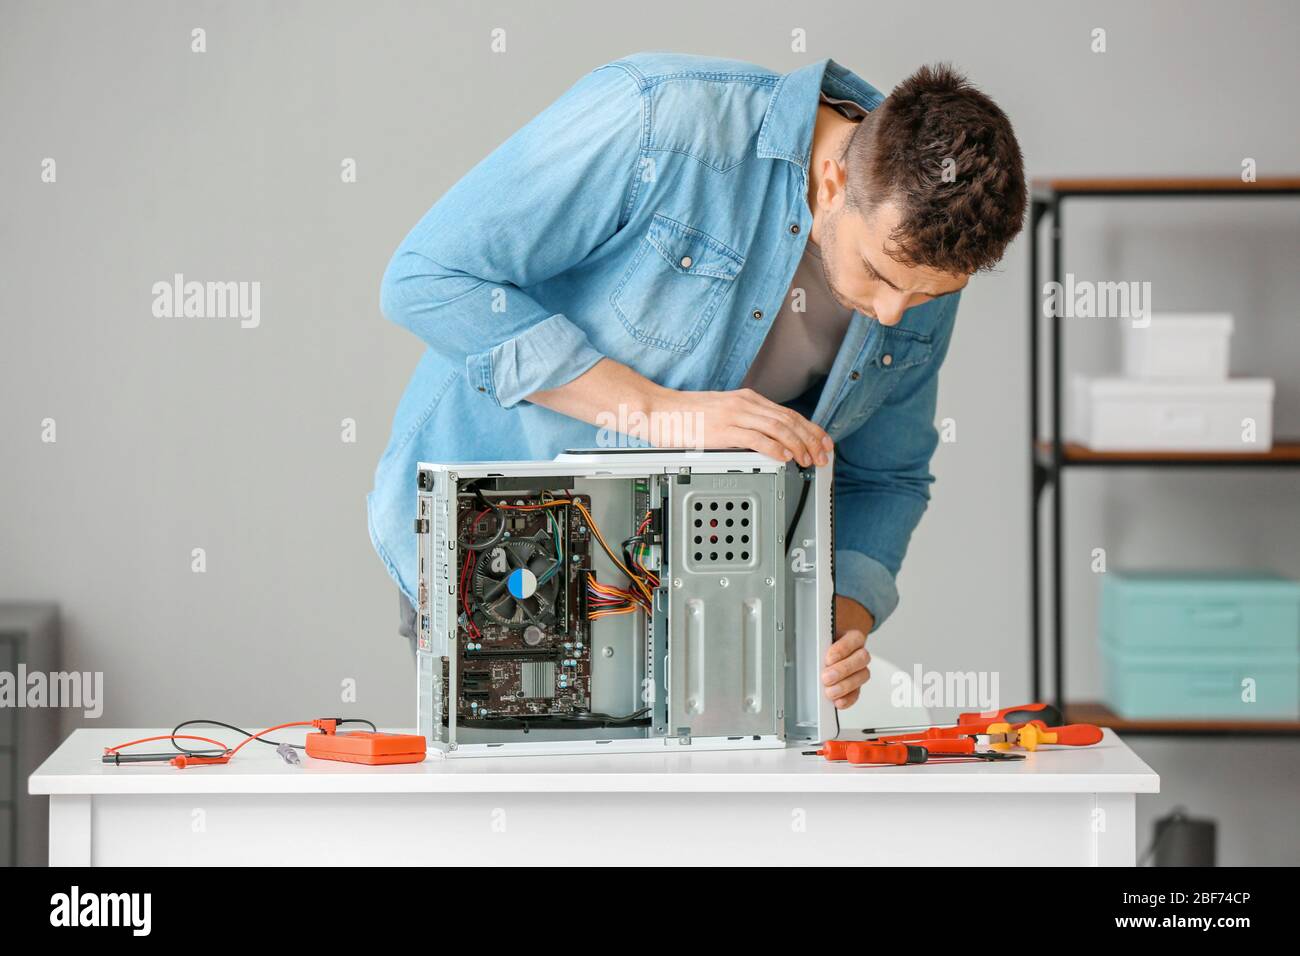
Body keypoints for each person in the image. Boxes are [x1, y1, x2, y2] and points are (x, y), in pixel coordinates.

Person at [371, 52, 1026, 710]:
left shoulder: (923, 249)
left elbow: (887, 477)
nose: (893, 313)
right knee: (524, 813)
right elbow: (427, 281)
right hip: (503, 556)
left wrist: (837, 622)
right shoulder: (662, 120)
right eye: (881, 277)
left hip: (686, 616)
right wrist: (654, 411)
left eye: (924, 297)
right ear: (831, 182)